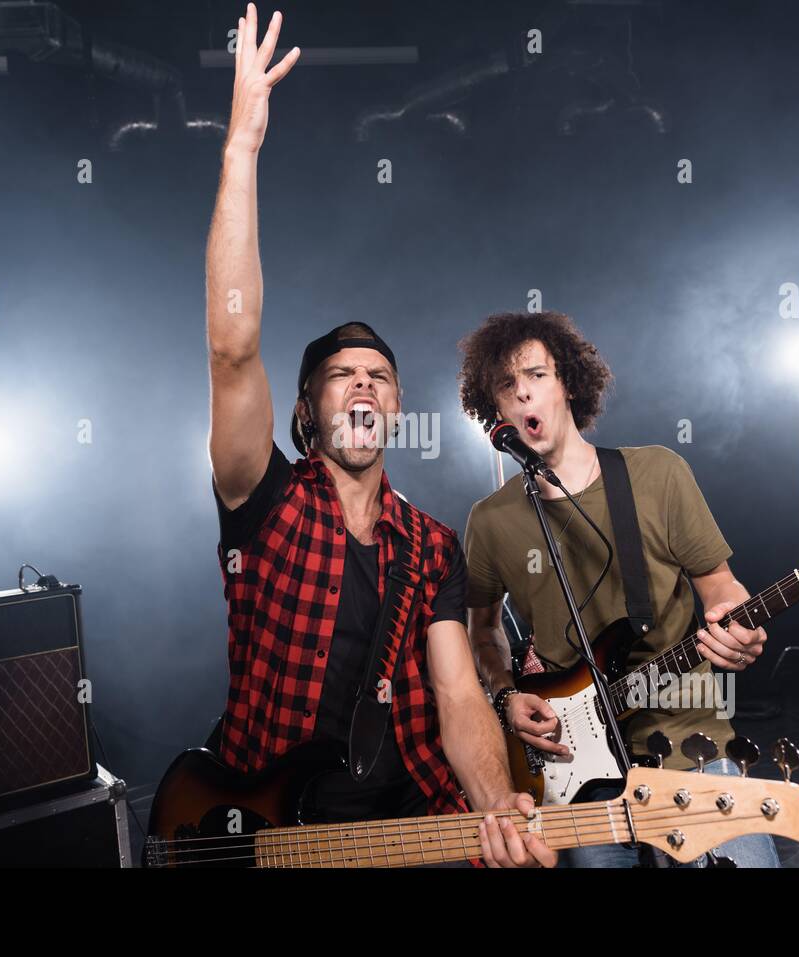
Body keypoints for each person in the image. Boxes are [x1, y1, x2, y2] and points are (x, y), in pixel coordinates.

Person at [204, 4, 554, 868]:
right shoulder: (265, 498)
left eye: (379, 374)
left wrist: (493, 802)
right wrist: (241, 150)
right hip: (281, 831)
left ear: (395, 406)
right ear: (307, 411)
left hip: (412, 819)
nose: (362, 381)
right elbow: (232, 342)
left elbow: (459, 695)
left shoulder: (431, 546)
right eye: (340, 373)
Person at [458, 310, 781, 868]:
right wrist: (507, 696)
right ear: (498, 413)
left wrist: (737, 622)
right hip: (570, 764)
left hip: (687, 739)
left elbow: (721, 585)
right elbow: (483, 631)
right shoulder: (490, 520)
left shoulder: (657, 474)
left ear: (569, 384)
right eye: (507, 387)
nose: (524, 395)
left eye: (536, 375)